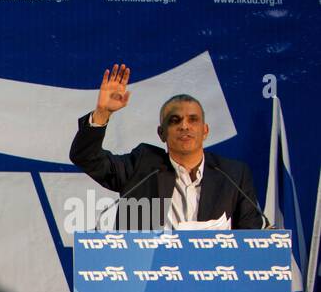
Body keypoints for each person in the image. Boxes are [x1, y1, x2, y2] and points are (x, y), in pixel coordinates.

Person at [69, 64, 264, 230]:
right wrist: (102, 112)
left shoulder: (232, 174)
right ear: (161, 133)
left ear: (205, 131)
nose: (184, 126)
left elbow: (250, 235)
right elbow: (86, 157)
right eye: (175, 120)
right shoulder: (142, 166)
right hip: (145, 271)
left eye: (193, 120)